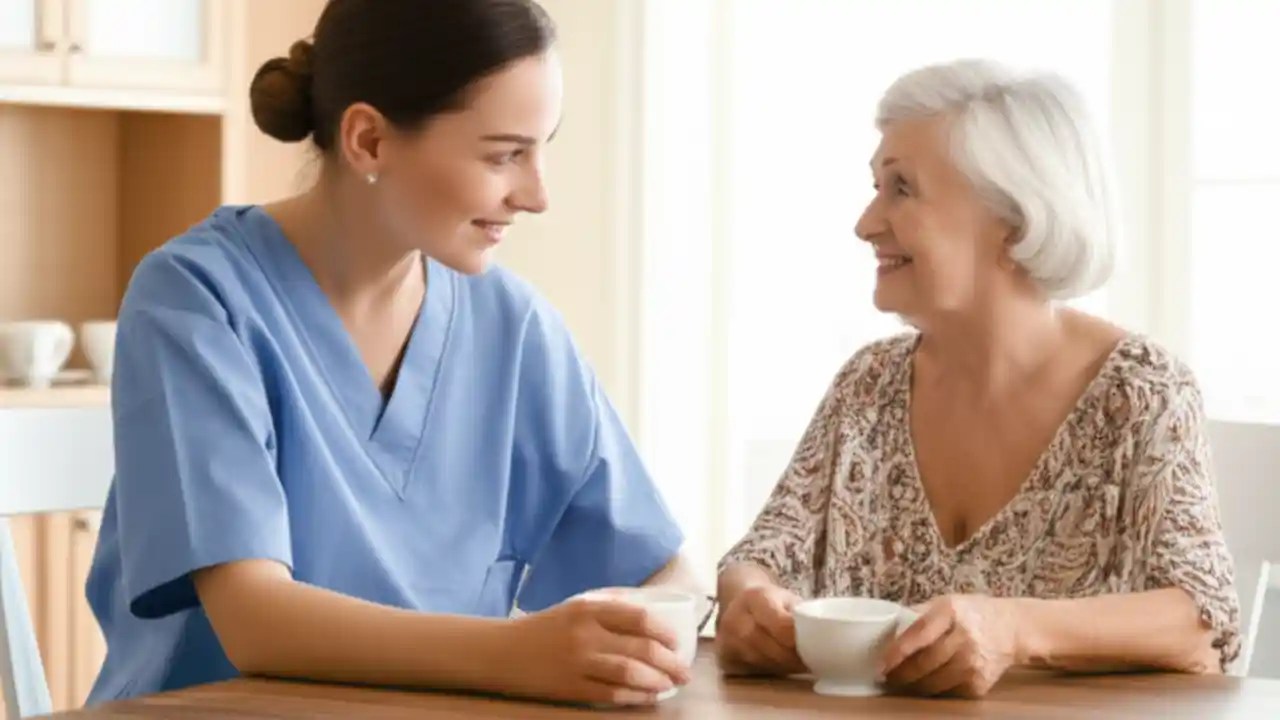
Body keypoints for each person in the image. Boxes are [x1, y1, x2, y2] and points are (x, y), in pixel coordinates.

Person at [85, 0, 702, 708]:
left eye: (541, 149)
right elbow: (255, 622)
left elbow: (667, 573)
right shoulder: (197, 298)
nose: (536, 195)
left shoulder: (512, 324)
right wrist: (520, 651)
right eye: (504, 154)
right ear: (370, 141)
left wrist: (655, 634)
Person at [714, 58, 1241, 698]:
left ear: (1014, 219)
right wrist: (749, 599)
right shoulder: (869, 385)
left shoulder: (1141, 391)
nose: (865, 222)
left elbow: (1199, 620)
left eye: (901, 189)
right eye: (877, 187)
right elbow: (763, 553)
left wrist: (1013, 627)